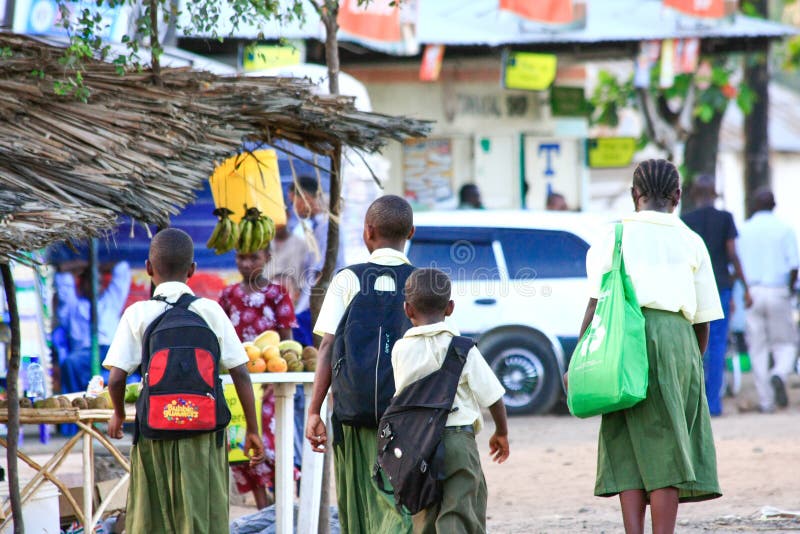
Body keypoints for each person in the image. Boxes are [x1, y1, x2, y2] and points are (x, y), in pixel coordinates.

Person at [579, 159, 722, 534]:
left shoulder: (614, 236)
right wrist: (691, 361)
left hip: (619, 338)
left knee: (624, 436)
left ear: (633, 196)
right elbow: (703, 317)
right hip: (675, 339)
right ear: (677, 196)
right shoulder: (691, 240)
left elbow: (596, 302)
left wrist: (580, 358)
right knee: (666, 442)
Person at [104, 228, 265, 533]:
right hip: (204, 434)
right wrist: (253, 431)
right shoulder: (211, 310)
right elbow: (240, 373)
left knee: (153, 514)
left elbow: (115, 379)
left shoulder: (137, 313)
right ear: (192, 270)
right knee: (203, 512)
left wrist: (118, 413)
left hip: (154, 432)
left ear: (149, 268)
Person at [306, 194, 416, 533]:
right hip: (407, 416)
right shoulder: (424, 282)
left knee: (357, 503)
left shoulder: (347, 279)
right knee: (400, 501)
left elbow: (326, 347)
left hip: (351, 414)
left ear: (367, 232)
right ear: (410, 233)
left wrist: (314, 411)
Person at [392, 268, 509, 533]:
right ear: (451, 307)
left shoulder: (400, 350)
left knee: (424, 515)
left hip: (416, 443)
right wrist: (501, 432)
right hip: (457, 441)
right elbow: (493, 395)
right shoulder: (463, 349)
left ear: (408, 310)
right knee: (460, 512)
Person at [218, 247, 298, 509]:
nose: (247, 262)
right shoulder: (228, 295)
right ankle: (264, 508)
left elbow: (287, 342)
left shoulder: (277, 294)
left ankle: (284, 505)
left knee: (271, 446)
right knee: (242, 448)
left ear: (268, 258)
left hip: (269, 382)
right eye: (241, 256)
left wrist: (280, 374)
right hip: (237, 383)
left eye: (254, 256)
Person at [681, 175, 752, 416]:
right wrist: (746, 287)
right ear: (715, 193)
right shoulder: (725, 219)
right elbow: (733, 255)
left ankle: (693, 403)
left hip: (691, 290)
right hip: (720, 288)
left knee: (693, 346)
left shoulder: (685, 220)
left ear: (693, 195)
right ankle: (713, 404)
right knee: (718, 344)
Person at [737, 188, 799, 412]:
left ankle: (766, 402)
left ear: (753, 205)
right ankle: (780, 373)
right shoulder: (784, 229)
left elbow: (736, 265)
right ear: (774, 205)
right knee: (785, 343)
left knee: (758, 347)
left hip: (752, 292)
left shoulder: (744, 229)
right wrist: (790, 290)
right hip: (777, 290)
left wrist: (744, 290)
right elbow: (794, 265)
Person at [54, 259, 131, 393]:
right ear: (83, 282)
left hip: (110, 351)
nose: (97, 286)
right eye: (92, 281)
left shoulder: (110, 301)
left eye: (99, 282)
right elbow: (62, 275)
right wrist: (84, 265)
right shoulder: (73, 306)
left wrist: (97, 264)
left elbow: (122, 268)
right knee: (70, 363)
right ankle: (75, 402)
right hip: (83, 355)